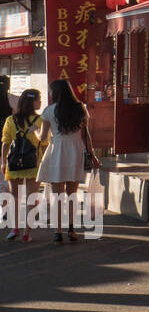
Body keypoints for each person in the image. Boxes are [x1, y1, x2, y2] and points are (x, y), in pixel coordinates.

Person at [34, 79, 99, 243]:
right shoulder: (80, 108)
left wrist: (34, 130)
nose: (49, 93)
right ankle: (71, 229)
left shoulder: (49, 110)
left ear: (55, 93)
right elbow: (86, 134)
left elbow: (43, 137)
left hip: (57, 152)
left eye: (50, 91)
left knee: (57, 195)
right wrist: (93, 155)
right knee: (72, 193)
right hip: (76, 151)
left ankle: (58, 232)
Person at [4, 89, 41, 241]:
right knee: (31, 198)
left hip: (14, 163)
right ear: (33, 102)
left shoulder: (10, 120)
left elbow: (5, 143)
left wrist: (2, 162)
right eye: (39, 99)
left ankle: (14, 229)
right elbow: (44, 143)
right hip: (34, 164)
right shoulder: (40, 121)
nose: (40, 102)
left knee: (15, 197)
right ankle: (26, 233)